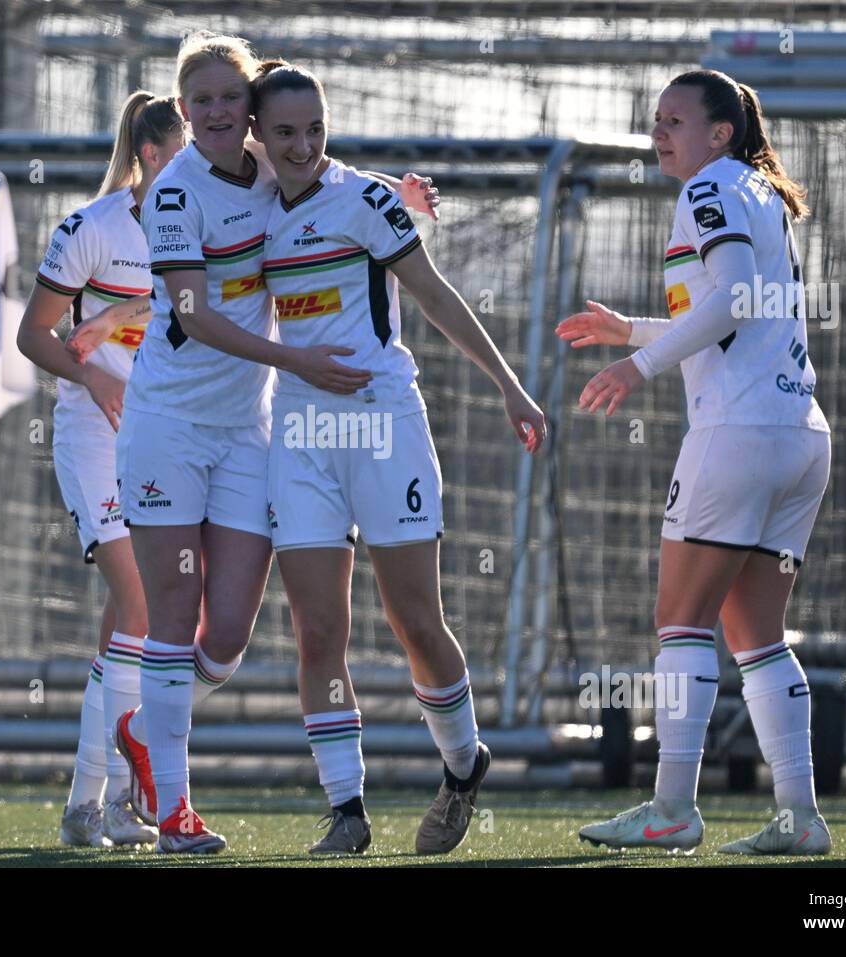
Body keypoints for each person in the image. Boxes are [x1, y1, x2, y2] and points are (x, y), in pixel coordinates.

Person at [109, 31, 441, 854]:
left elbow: (323, 181)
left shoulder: (269, 168)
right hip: (168, 428)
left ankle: (146, 730)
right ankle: (177, 812)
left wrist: (400, 201)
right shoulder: (176, 192)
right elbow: (191, 314)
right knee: (174, 609)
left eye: (232, 99)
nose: (219, 113)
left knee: (226, 633)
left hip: (250, 429)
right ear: (183, 113)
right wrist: (296, 358)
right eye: (203, 102)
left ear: (249, 113)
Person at [248, 59, 545, 855]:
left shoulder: (364, 197)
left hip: (383, 424)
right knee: (318, 632)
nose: (303, 145)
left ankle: (461, 764)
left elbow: (436, 294)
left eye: (315, 128)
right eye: (284, 132)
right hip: (302, 435)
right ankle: (347, 809)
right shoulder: (242, 202)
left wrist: (511, 387)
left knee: (414, 619)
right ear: (255, 134)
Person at [558, 70, 833, 855]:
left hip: (736, 436)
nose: (660, 132)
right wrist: (632, 331)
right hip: (798, 435)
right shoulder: (758, 191)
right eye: (656, 119)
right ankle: (800, 817)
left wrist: (632, 369)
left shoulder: (708, 186)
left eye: (676, 119)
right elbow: (734, 310)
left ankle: (671, 808)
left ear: (720, 133)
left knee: (680, 622)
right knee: (758, 636)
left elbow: (733, 299)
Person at [17, 90, 183, 848]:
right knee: (142, 603)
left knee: (143, 620)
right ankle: (92, 806)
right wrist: (95, 375)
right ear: (151, 154)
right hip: (94, 434)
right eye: (186, 144)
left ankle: (105, 803)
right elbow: (33, 334)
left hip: (166, 436)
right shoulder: (92, 227)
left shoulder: (203, 224)